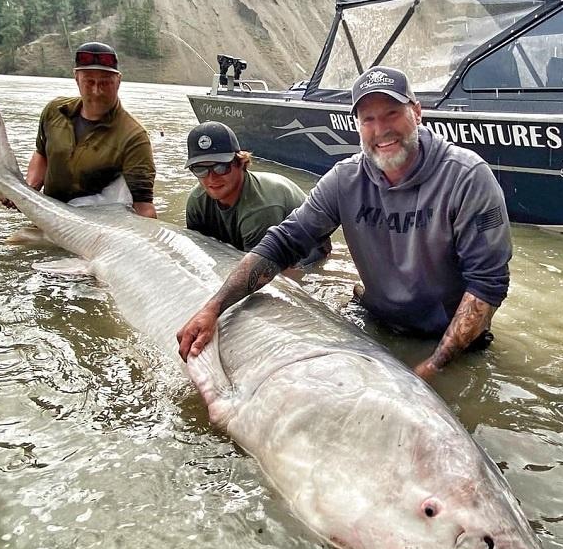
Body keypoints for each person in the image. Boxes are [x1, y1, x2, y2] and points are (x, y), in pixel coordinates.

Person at [177, 66, 511, 382]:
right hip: (374, 323)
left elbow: (487, 284)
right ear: (358, 126)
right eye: (368, 119)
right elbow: (283, 243)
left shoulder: (468, 177)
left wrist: (432, 368)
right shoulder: (344, 180)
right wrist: (213, 308)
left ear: (417, 112)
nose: (381, 129)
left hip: (453, 343)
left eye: (392, 113)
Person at [23, 42, 157, 218]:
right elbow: (42, 153)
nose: (96, 91)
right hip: (48, 216)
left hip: (95, 226)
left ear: (118, 81)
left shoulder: (134, 137)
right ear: (76, 78)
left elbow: (143, 205)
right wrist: (27, 190)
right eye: (89, 82)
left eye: (105, 83)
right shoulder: (54, 111)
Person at [184, 120, 329, 262]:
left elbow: (261, 271)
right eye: (200, 170)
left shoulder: (261, 208)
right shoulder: (197, 201)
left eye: (220, 168)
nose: (211, 178)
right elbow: (198, 252)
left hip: (307, 250)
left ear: (241, 163)